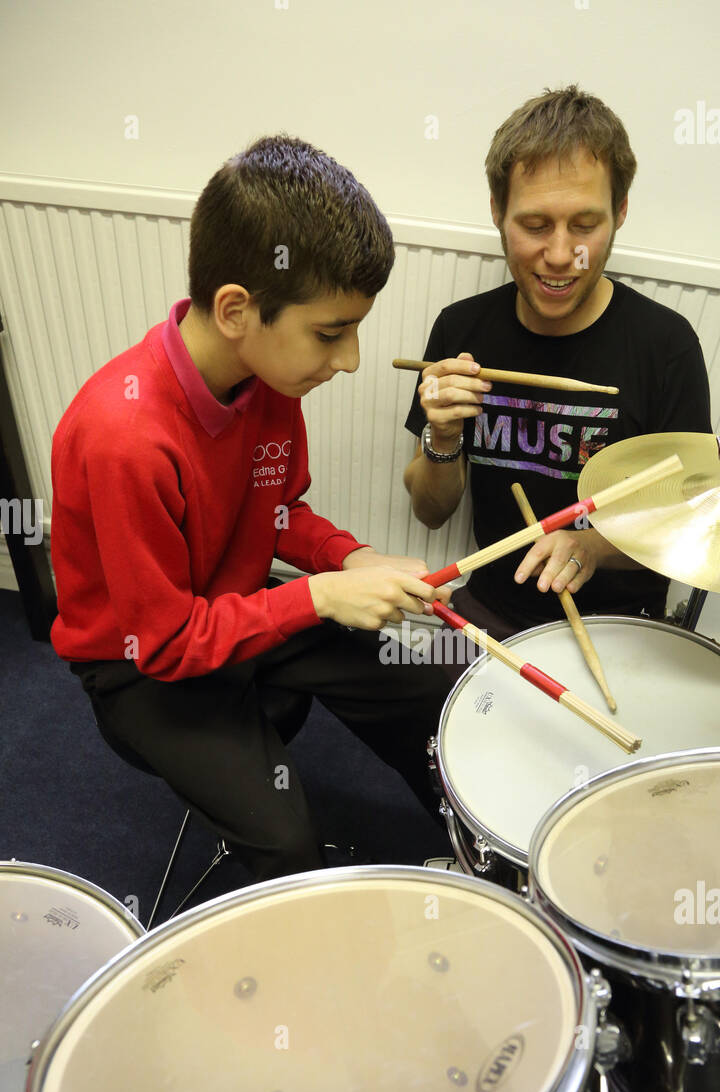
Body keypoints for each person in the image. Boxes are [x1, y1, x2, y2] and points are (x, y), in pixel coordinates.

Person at [50, 135, 452, 884]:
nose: (352, 359)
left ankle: (480, 856)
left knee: (427, 680)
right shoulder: (125, 437)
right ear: (237, 309)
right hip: (142, 665)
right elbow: (166, 644)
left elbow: (274, 513)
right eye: (331, 333)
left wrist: (349, 558)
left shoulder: (267, 380)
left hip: (228, 611)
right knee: (286, 845)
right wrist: (320, 595)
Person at [404, 85, 712, 653]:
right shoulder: (461, 331)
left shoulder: (666, 345)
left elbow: (686, 523)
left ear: (620, 212)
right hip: (490, 612)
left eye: (585, 225)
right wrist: (443, 436)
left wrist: (591, 548)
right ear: (497, 211)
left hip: (620, 625)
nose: (561, 254)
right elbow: (430, 510)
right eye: (536, 225)